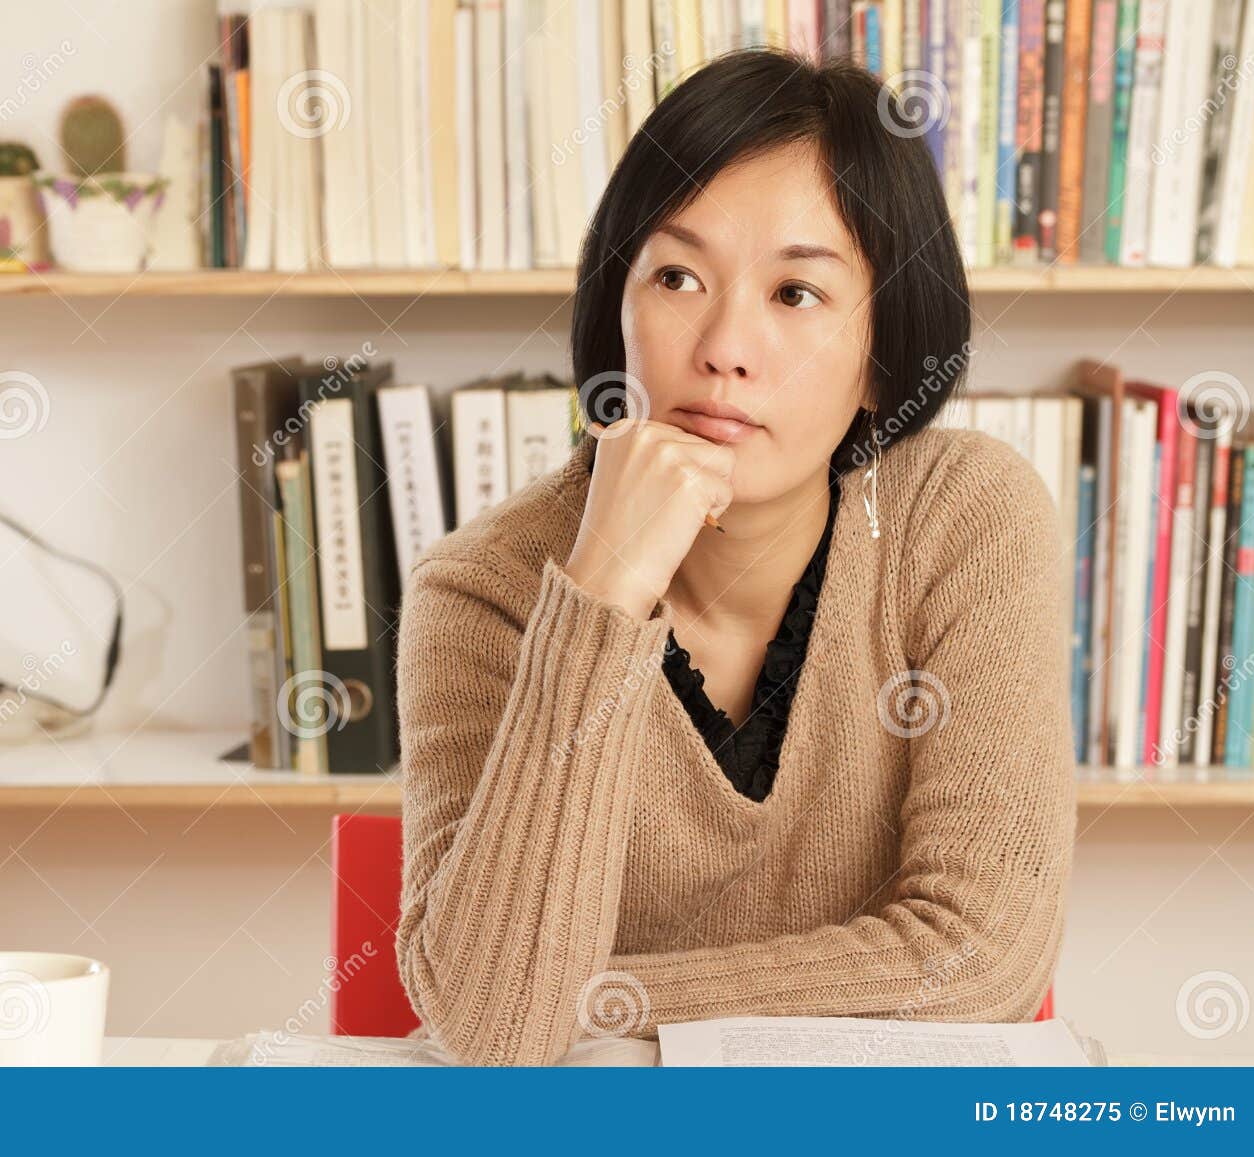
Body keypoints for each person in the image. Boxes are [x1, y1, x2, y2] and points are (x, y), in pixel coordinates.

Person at [393, 49, 1076, 1066]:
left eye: (795, 293)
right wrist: (603, 595)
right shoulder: (480, 592)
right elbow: (491, 1031)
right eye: (676, 276)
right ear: (612, 309)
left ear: (883, 353)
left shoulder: (962, 518)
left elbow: (976, 963)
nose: (722, 346)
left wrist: (585, 1002)